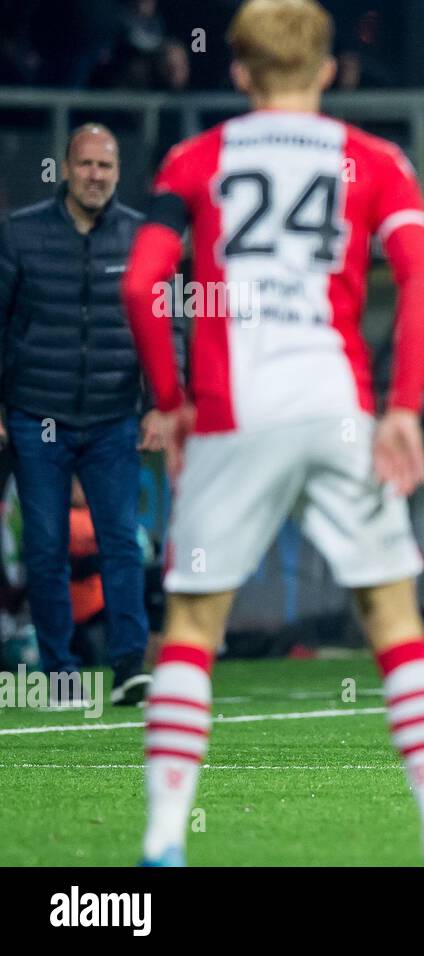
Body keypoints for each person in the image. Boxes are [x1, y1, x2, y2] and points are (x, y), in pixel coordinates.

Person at [121, 0, 424, 866]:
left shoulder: (197, 159)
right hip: (337, 408)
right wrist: (402, 408)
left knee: (194, 627)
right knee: (392, 618)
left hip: (234, 413)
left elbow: (142, 283)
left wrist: (173, 400)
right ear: (328, 70)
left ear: (237, 72)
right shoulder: (376, 160)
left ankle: (164, 844)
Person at [0, 121, 162, 706]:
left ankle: (127, 668)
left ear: (117, 174)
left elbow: (163, 327)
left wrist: (162, 405)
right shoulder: (19, 235)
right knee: (45, 545)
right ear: (65, 169)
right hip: (33, 412)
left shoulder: (142, 238)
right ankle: (60, 671)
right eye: (86, 164)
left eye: (106, 167)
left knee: (122, 541)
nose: (95, 176)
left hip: (113, 416)